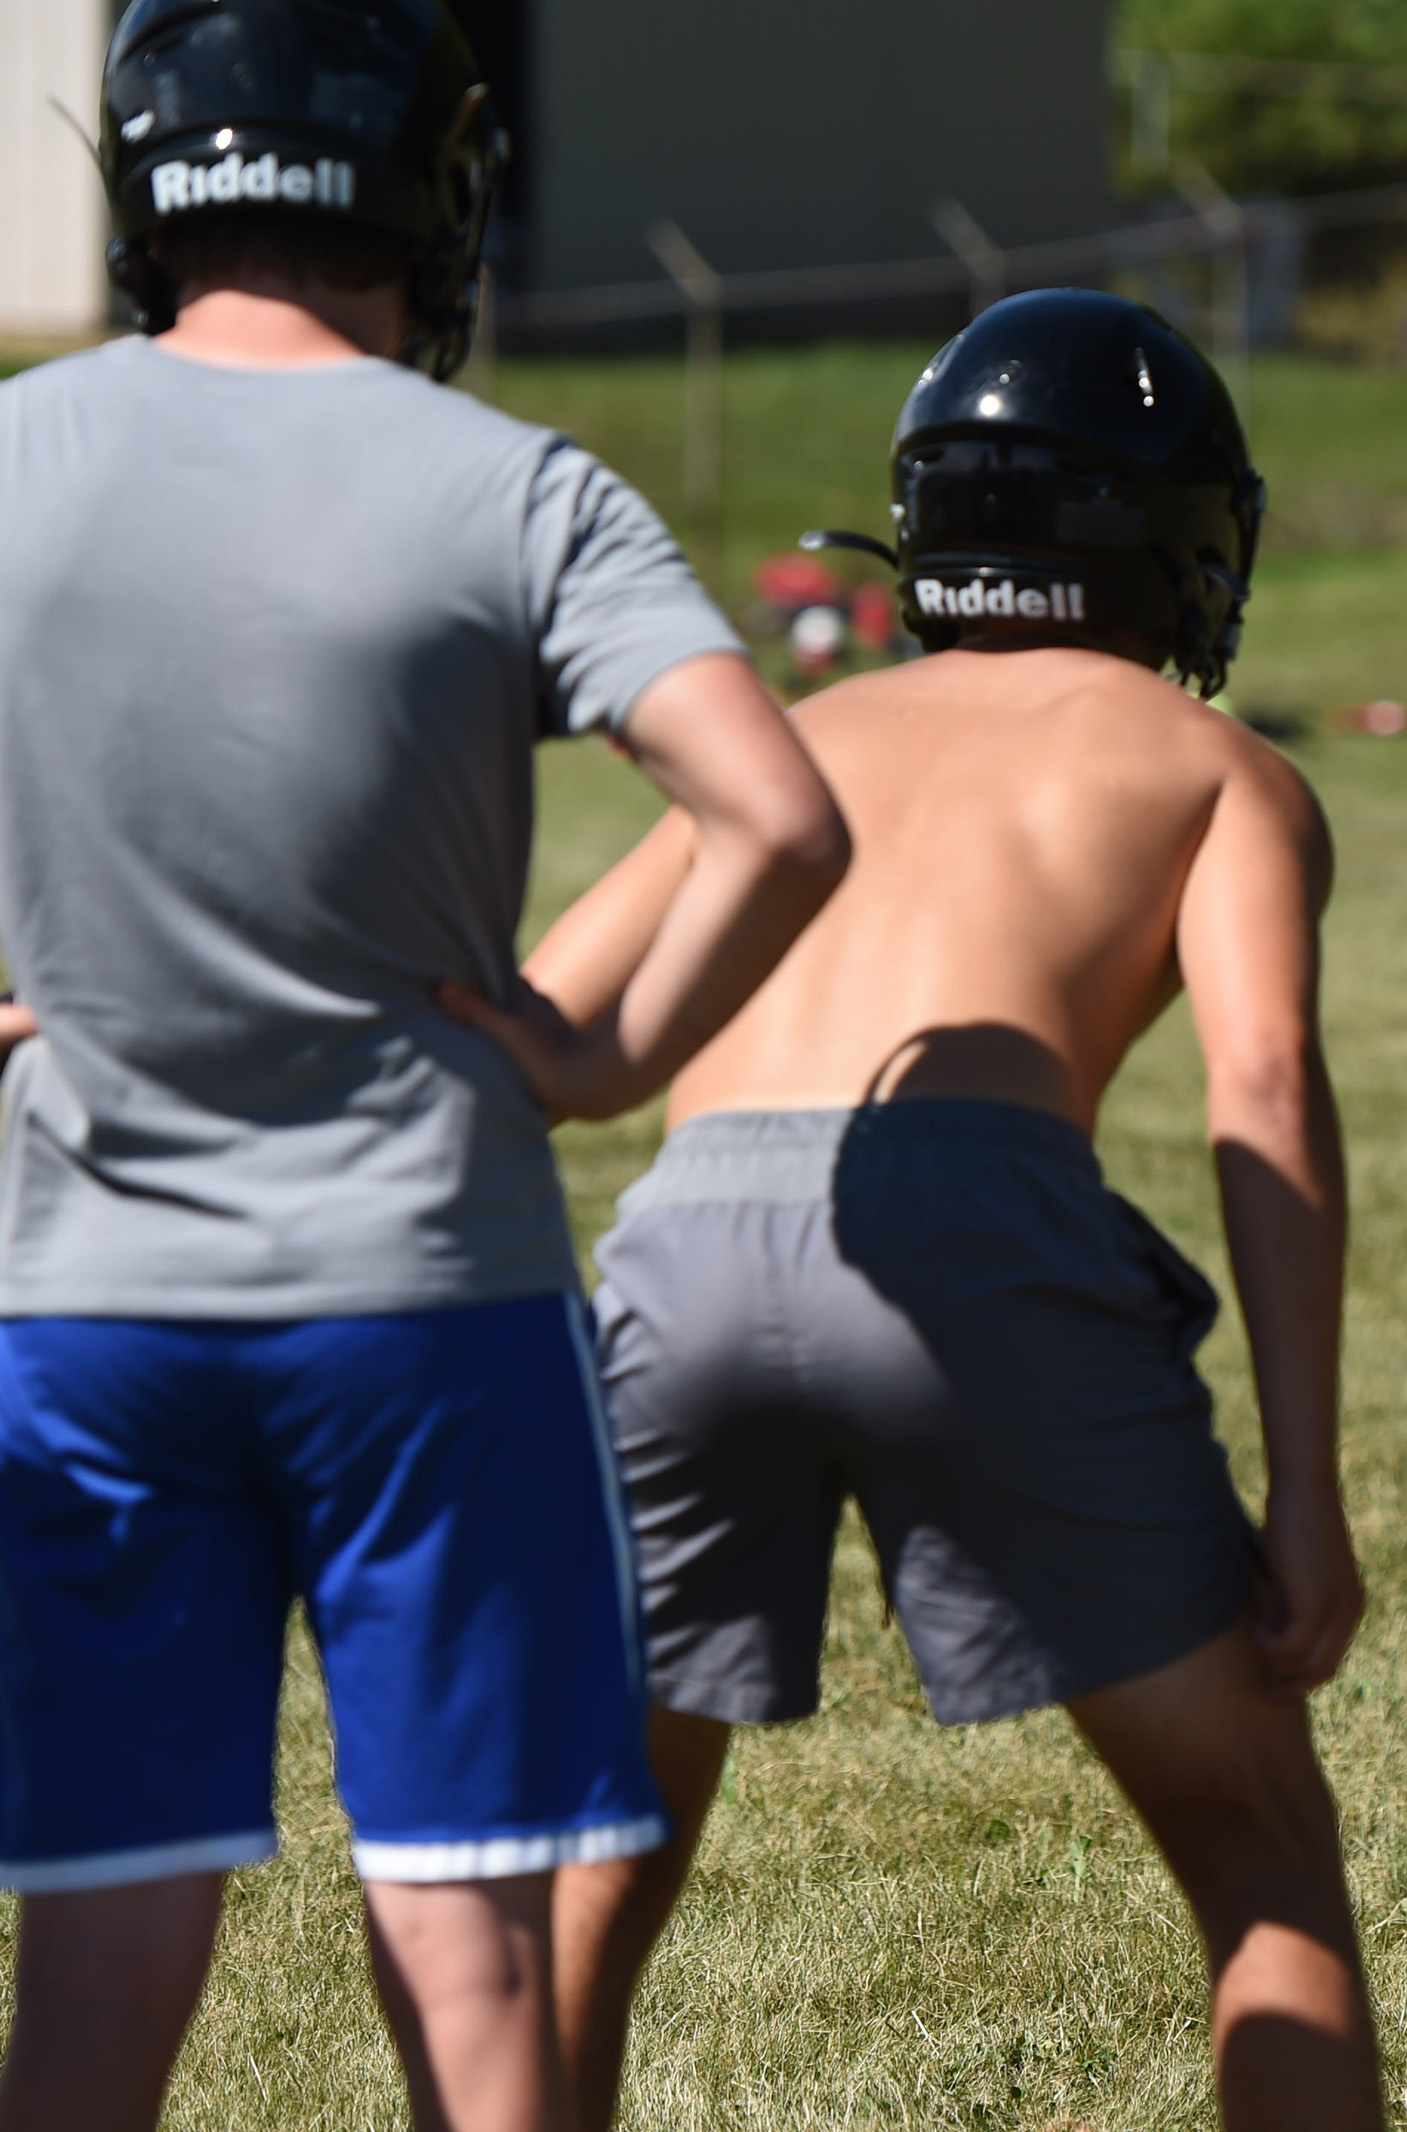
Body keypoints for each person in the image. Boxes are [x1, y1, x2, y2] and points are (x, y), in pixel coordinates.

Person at [0, 5, 852, 2129]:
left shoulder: (16, 455)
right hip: (429, 1305)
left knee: (98, 1947)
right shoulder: (517, 483)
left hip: (82, 1308)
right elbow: (782, 814)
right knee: (467, 1942)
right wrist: (611, 1052)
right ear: (429, 189)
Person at [528, 289, 1381, 2131]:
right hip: (984, 1238)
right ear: (1186, 540)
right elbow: (1266, 1095)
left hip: (688, 1236)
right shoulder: (1219, 768)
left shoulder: (796, 732)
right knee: (1261, 1863)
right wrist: (1304, 1488)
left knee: (595, 1876)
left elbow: (548, 1017)